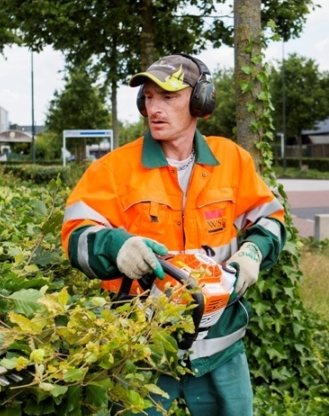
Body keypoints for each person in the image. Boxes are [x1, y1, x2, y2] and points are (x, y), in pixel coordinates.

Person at [61, 54, 286, 415]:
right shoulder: (115, 169)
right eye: (149, 97)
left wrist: (253, 253)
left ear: (201, 101)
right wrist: (118, 249)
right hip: (142, 349)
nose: (155, 108)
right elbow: (76, 236)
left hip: (220, 347)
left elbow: (269, 218)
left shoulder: (231, 160)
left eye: (169, 97)